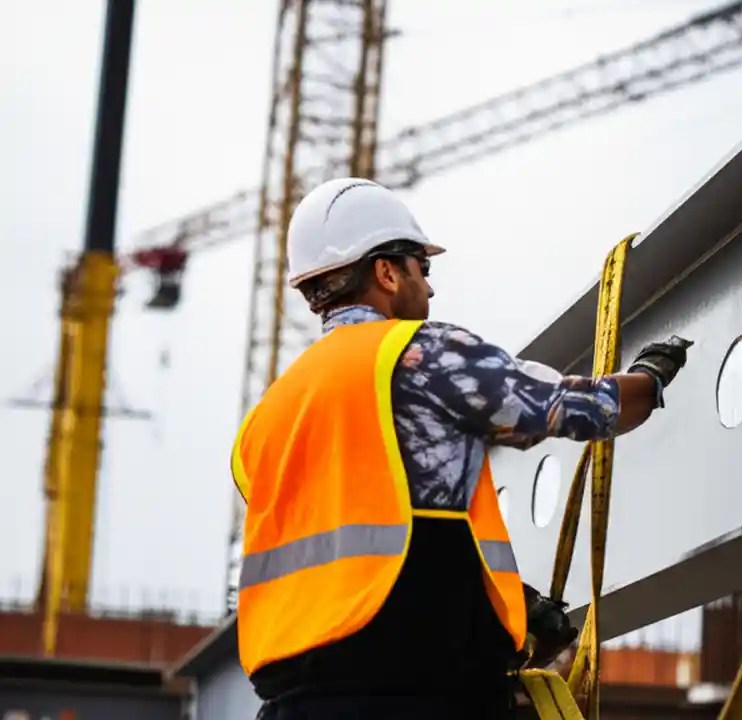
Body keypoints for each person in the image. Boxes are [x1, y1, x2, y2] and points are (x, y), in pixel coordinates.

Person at [230, 177, 693, 719]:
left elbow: (360, 549)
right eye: (422, 270)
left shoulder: (265, 419)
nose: (429, 290)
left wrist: (508, 604)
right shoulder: (420, 355)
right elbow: (582, 408)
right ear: (386, 271)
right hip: (417, 697)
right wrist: (648, 377)